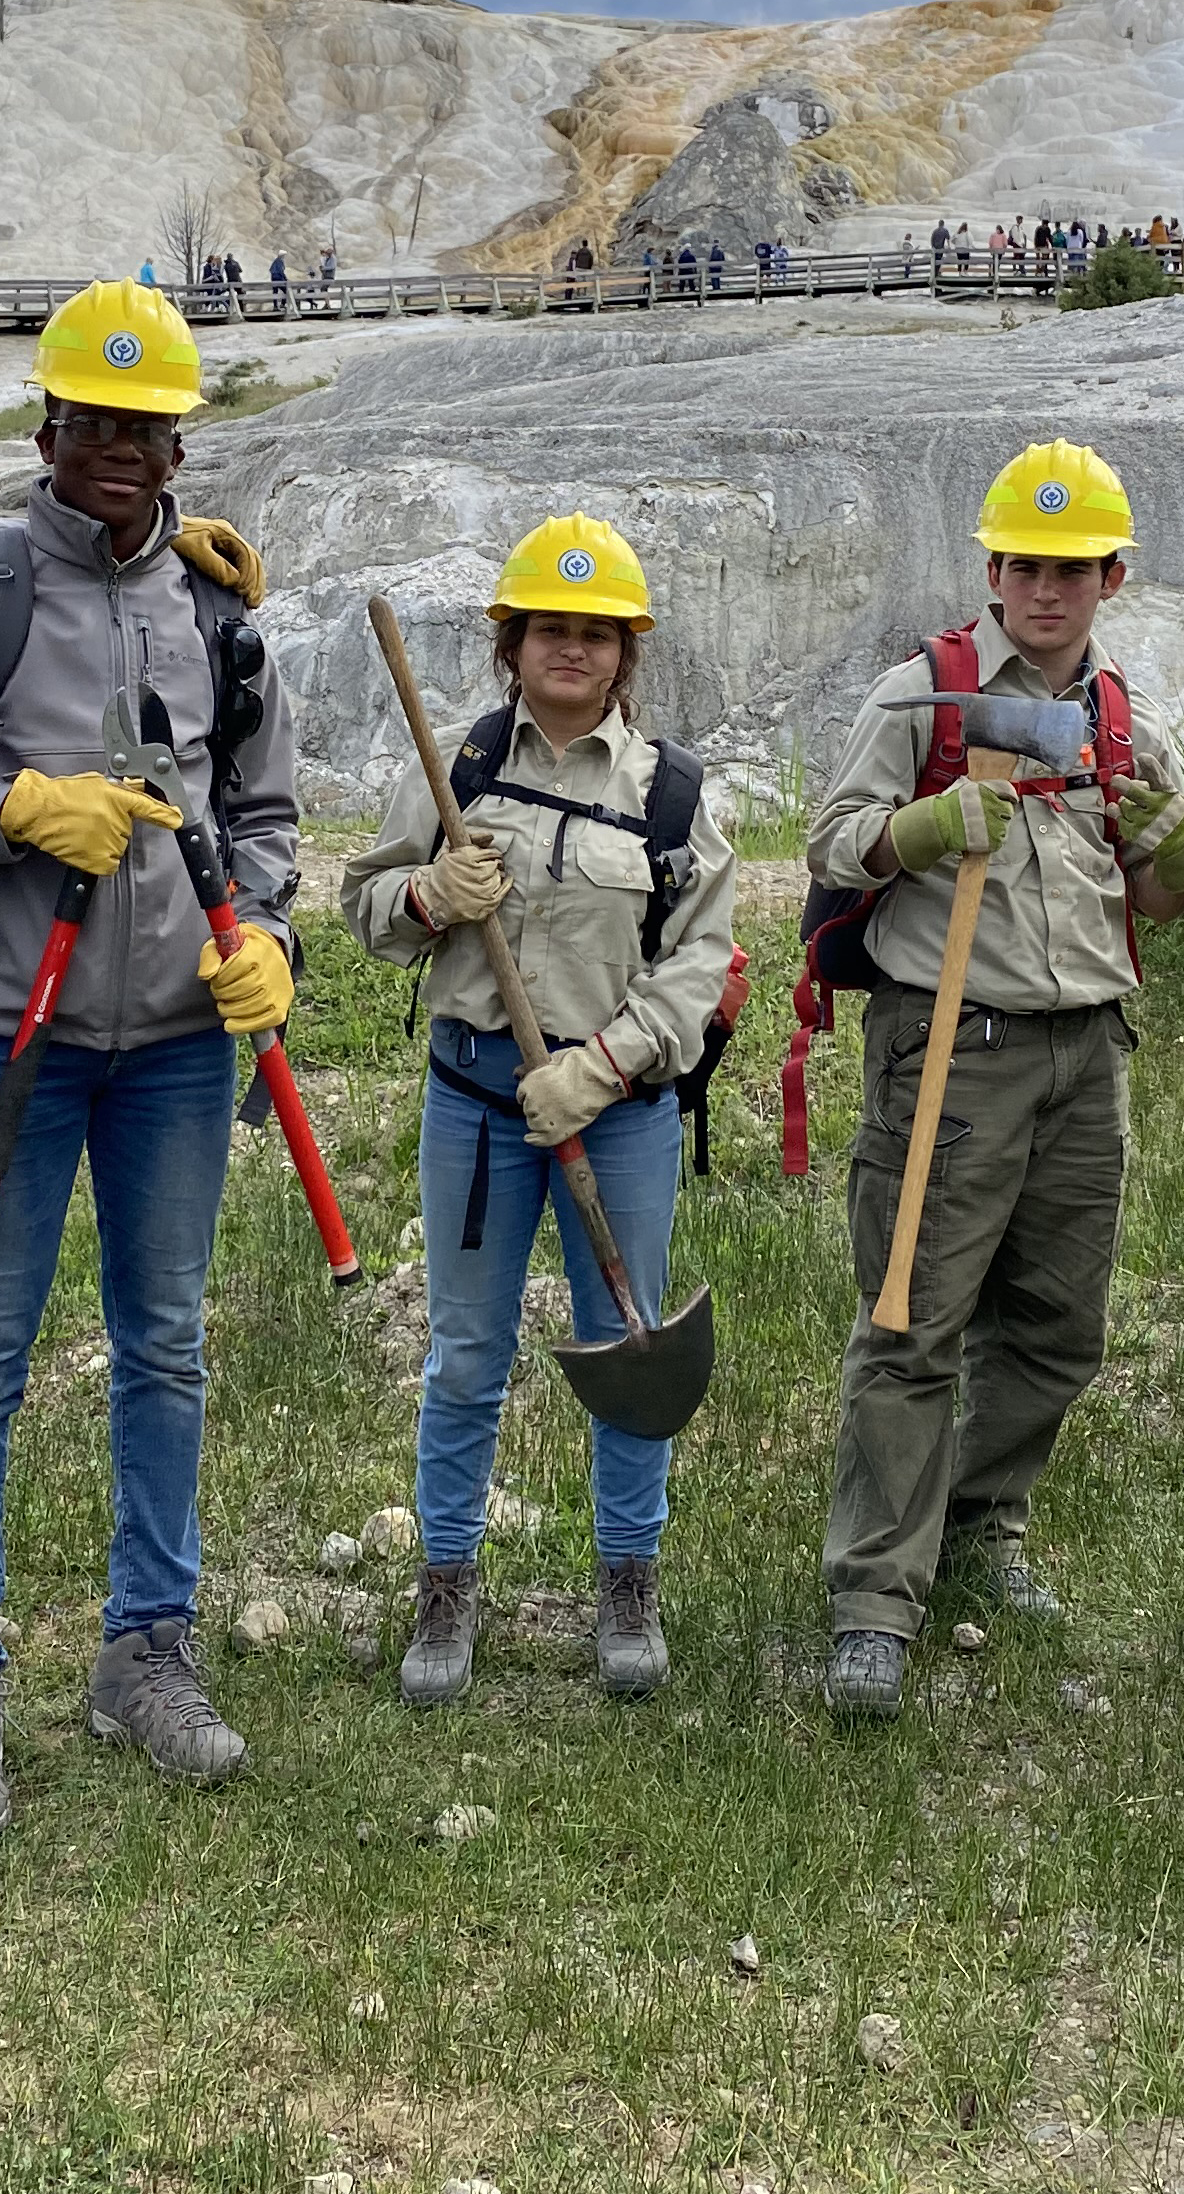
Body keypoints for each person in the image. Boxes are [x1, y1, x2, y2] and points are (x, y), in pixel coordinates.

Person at [0, 278, 295, 1843]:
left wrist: (267, 929)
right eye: (93, 420)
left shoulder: (219, 613)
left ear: (177, 447)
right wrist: (9, 812)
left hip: (175, 1045)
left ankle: (146, 1653)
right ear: (48, 428)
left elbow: (263, 811)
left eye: (144, 428)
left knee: (165, 1346)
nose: (118, 448)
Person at [804, 444, 1184, 1718]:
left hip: (1086, 1049)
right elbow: (831, 844)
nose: (1047, 589)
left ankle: (983, 1530)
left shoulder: (1119, 717)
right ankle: (877, 1599)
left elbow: (1153, 894)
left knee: (1055, 1324)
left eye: (1073, 570)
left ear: (1112, 579)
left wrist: (1180, 853)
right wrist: (923, 827)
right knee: (911, 1322)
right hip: (951, 1043)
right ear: (993, 568)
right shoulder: (923, 695)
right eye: (1027, 566)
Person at [344, 515, 738, 1706]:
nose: (572, 649)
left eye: (596, 633)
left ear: (626, 653)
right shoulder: (458, 770)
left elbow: (699, 965)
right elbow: (364, 907)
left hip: (618, 1114)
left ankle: (628, 1579)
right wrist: (428, 894)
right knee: (467, 1355)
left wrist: (607, 1066)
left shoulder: (672, 795)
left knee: (630, 1340)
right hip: (478, 1106)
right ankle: (447, 1583)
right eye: (547, 629)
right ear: (510, 645)